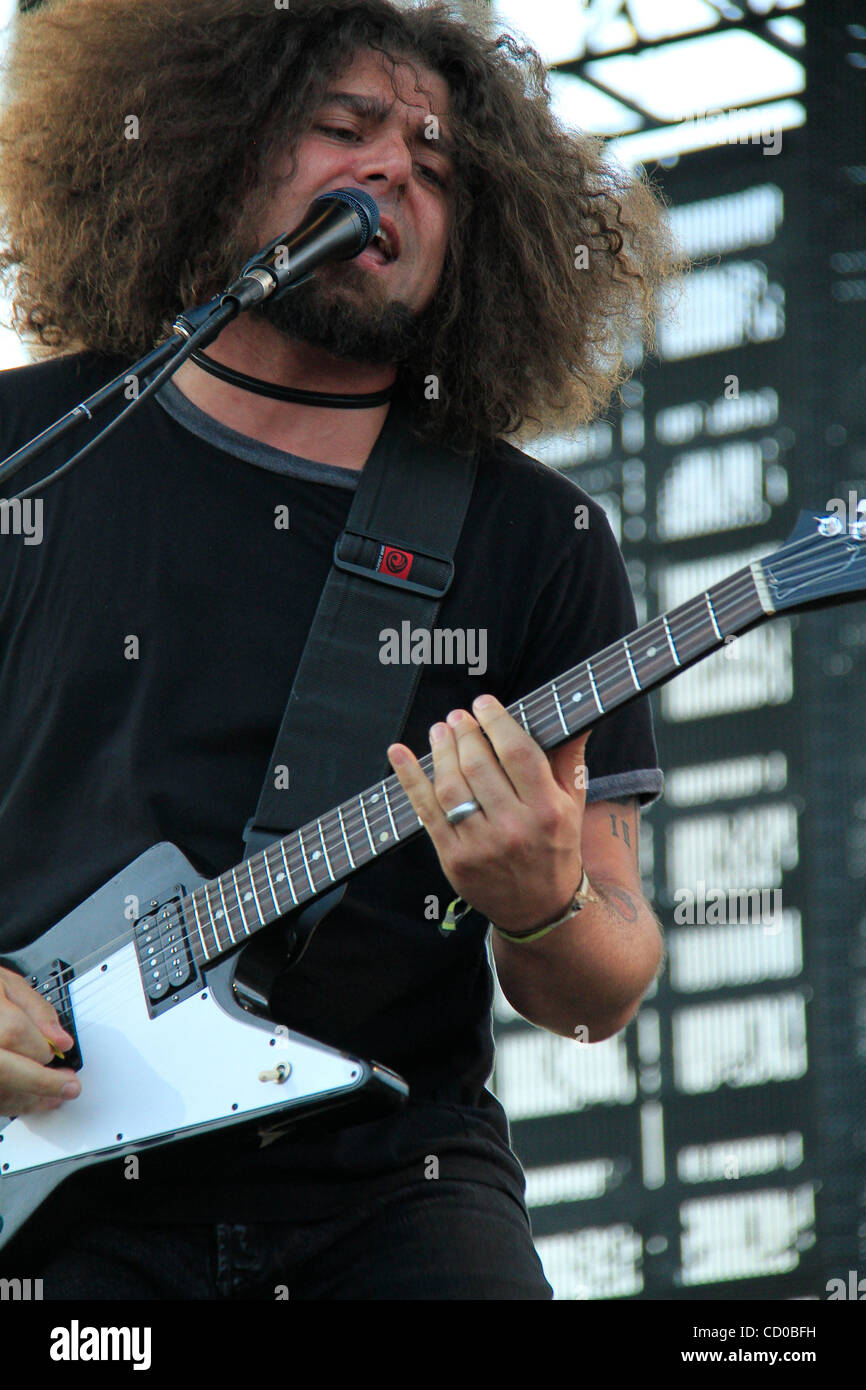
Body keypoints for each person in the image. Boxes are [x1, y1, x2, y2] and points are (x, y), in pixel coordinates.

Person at [0, 0, 677, 1300]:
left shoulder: (535, 537)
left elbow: (602, 986)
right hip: (50, 1199)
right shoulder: (35, 450)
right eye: (346, 130)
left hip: (389, 1196)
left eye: (434, 163)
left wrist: (540, 900)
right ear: (216, 150)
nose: (391, 173)